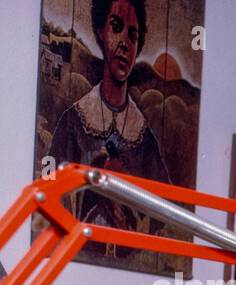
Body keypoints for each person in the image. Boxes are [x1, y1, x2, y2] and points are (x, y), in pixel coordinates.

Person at [48, 0, 170, 234]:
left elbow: (163, 212)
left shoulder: (144, 139)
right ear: (100, 32)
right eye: (116, 27)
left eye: (132, 36)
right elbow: (53, 198)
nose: (124, 43)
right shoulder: (73, 122)